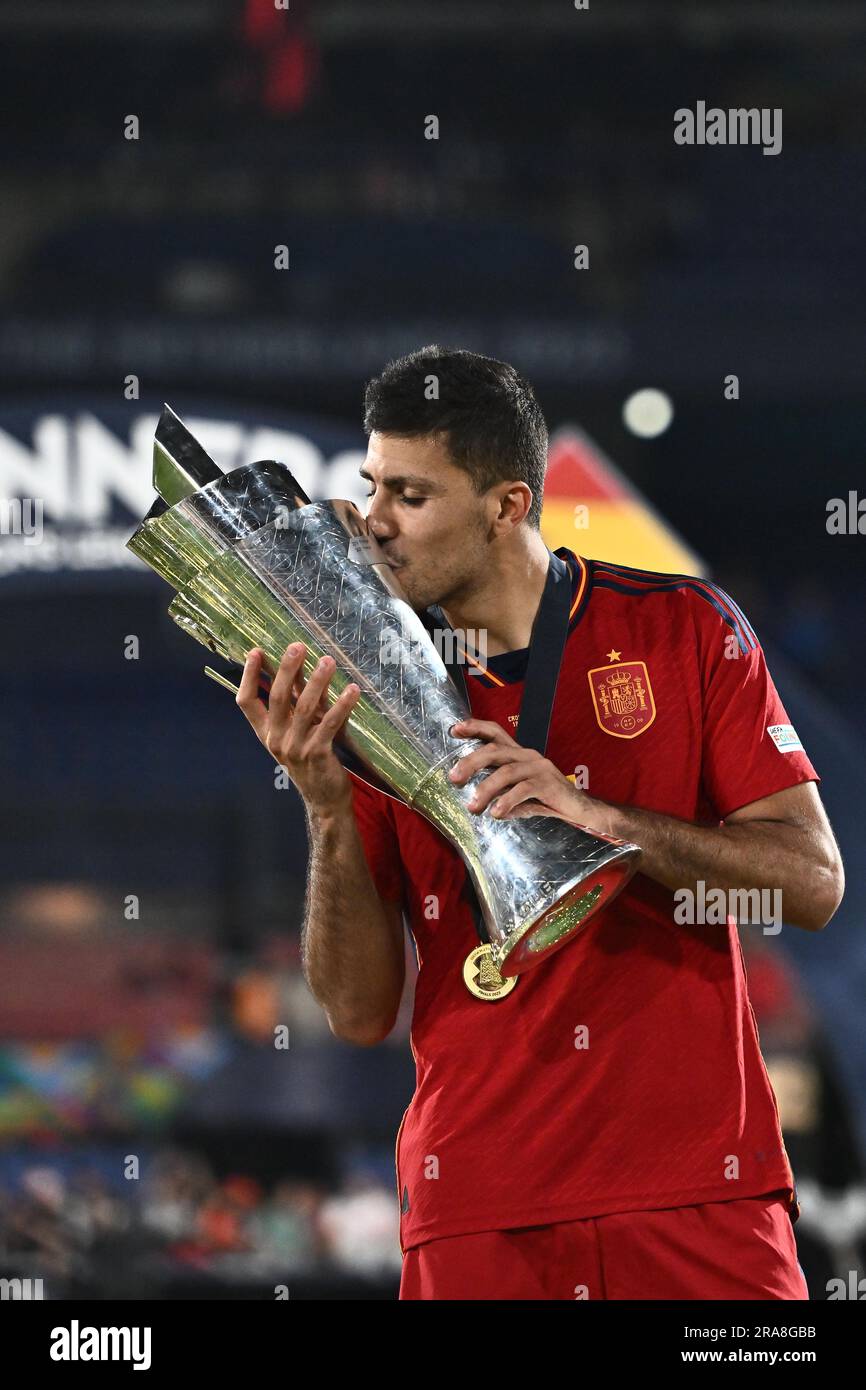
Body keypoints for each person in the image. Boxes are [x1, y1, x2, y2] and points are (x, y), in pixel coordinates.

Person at [235, 346, 845, 1300]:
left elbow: (810, 886)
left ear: (508, 505)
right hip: (476, 1208)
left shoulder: (681, 629)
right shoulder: (361, 693)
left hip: (697, 1197)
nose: (374, 524)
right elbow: (357, 1014)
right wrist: (322, 803)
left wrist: (596, 815)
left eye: (412, 494)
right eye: (371, 486)